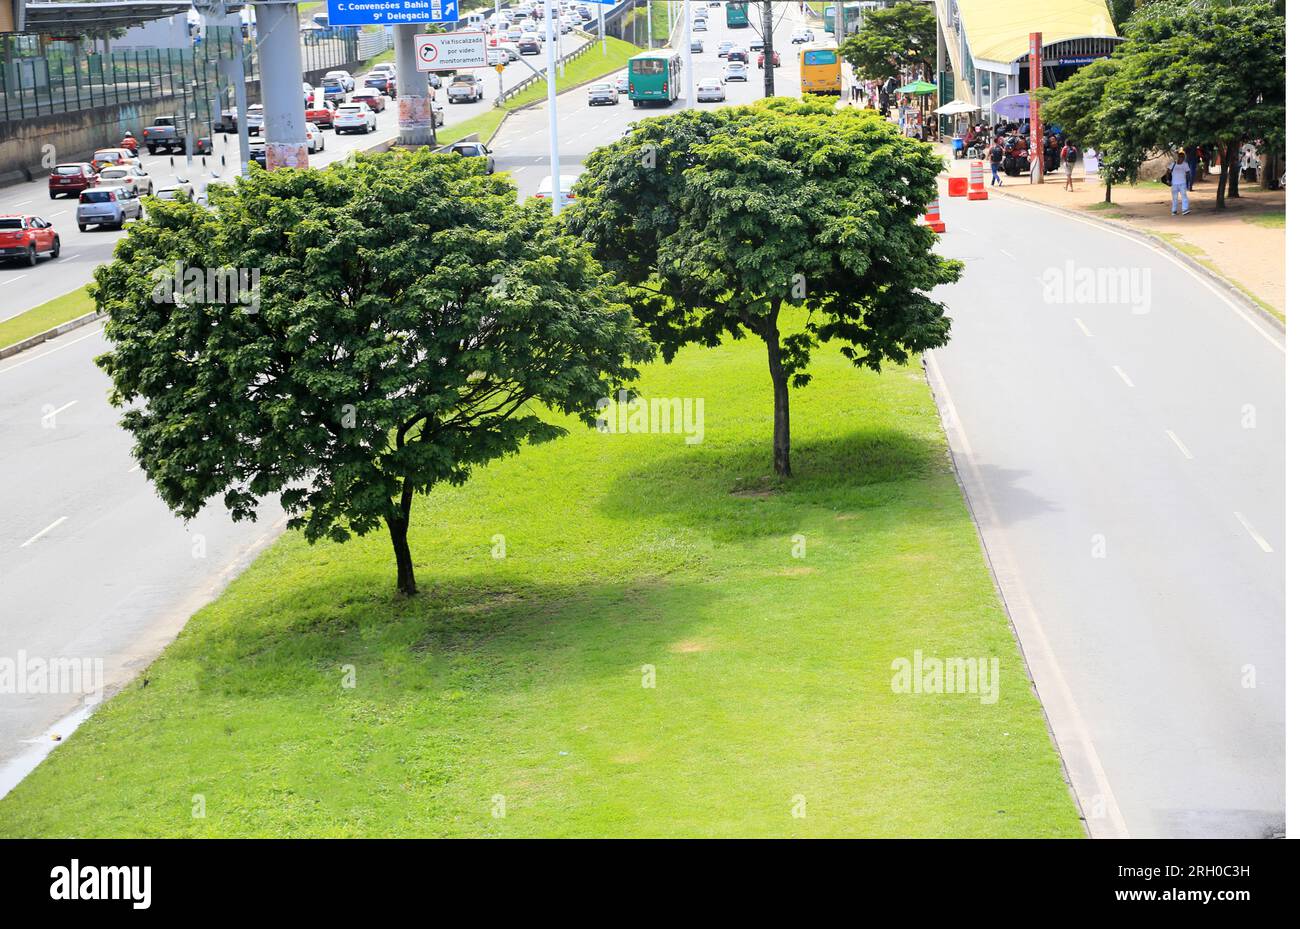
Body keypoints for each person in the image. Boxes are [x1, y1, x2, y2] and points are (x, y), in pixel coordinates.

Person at [1169, 150, 1192, 215]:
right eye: (1181, 157)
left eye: (1183, 157)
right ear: (1178, 157)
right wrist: (1168, 180)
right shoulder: (1173, 164)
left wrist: (1188, 180)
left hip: (1182, 183)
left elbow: (1188, 172)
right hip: (1174, 184)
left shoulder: (1185, 164)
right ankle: (1174, 211)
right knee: (1175, 198)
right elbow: (1168, 171)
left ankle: (1185, 210)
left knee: (1184, 196)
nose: (1182, 158)